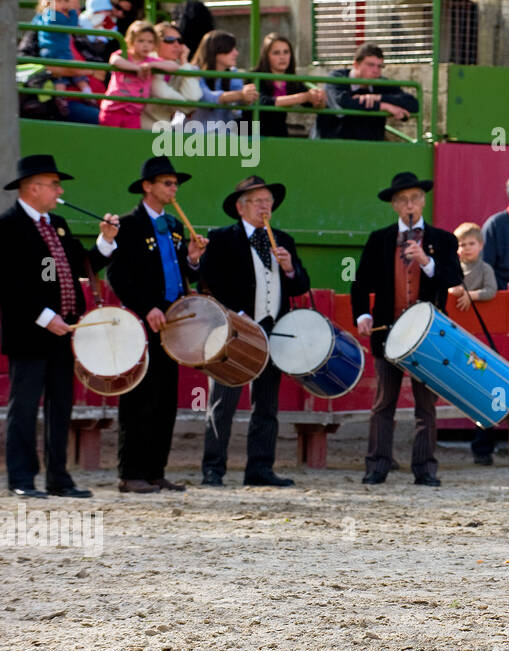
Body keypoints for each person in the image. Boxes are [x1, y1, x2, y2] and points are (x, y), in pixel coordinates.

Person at [0, 155, 119, 498]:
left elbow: (82, 265)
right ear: (33, 187)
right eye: (54, 184)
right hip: (30, 331)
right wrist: (43, 315)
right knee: (23, 406)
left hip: (64, 331)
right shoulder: (9, 226)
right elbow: (9, 283)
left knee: (60, 406)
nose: (59, 190)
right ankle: (21, 479)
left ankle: (58, 478)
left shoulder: (60, 224)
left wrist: (105, 240)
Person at [198, 176, 311, 489]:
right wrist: (240, 316)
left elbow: (301, 286)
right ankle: (213, 469)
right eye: (258, 201)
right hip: (232, 333)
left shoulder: (283, 239)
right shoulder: (221, 238)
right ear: (240, 207)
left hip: (274, 330)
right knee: (223, 404)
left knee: (266, 405)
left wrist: (290, 269)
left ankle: (260, 469)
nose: (265, 207)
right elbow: (208, 284)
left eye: (268, 202)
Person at [352, 172, 462, 487]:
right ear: (394, 206)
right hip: (388, 332)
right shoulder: (380, 239)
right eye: (402, 200)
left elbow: (453, 279)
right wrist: (361, 313)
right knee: (384, 402)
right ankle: (377, 466)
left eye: (414, 198)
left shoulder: (442, 240)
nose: (409, 204)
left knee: (425, 405)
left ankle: (425, 468)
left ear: (423, 200)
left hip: (429, 336)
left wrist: (426, 261)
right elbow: (360, 283)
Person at [107, 156, 207, 493]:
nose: (173, 188)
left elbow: (183, 273)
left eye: (175, 183)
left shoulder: (177, 227)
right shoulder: (128, 225)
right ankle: (130, 472)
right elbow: (118, 276)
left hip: (173, 318)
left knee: (165, 397)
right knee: (139, 396)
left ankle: (155, 470)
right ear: (147, 187)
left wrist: (193, 258)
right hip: (143, 319)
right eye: (167, 183)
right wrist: (146, 306)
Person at [451, 222, 501, 466]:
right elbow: (445, 290)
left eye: (471, 244)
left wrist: (471, 295)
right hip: (456, 338)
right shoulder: (451, 268)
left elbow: (492, 291)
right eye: (462, 244)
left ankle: (484, 448)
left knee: (484, 387)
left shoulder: (485, 269)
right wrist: (455, 291)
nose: (466, 248)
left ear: (480, 246)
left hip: (482, 338)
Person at [312, 43, 418, 141]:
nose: (376, 70)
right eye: (370, 65)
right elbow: (343, 103)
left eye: (380, 66)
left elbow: (412, 104)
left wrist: (378, 98)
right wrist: (383, 106)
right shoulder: (337, 78)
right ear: (356, 64)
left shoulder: (381, 83)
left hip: (369, 149)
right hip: (333, 145)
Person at [99, 21, 179, 129]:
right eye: (140, 41)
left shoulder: (150, 61)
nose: (145, 45)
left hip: (134, 113)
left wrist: (151, 65)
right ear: (130, 41)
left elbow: (174, 66)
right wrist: (137, 68)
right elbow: (114, 60)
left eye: (150, 42)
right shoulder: (124, 55)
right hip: (113, 110)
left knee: (130, 142)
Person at [252, 33, 325, 137]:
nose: (282, 57)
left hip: (278, 134)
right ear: (266, 56)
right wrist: (303, 97)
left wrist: (318, 99)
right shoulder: (255, 77)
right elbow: (264, 102)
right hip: (252, 136)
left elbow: (310, 103)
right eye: (276, 53)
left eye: (286, 52)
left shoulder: (291, 80)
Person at [189, 30, 259, 132]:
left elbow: (239, 107)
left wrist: (248, 97)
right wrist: (240, 94)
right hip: (192, 137)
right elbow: (205, 97)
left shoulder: (233, 73)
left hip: (223, 137)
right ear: (215, 50)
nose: (236, 53)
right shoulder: (193, 71)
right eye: (230, 49)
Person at [141, 20, 204, 129]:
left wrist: (184, 61)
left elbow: (193, 98)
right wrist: (186, 104)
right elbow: (164, 94)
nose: (176, 45)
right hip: (137, 126)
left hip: (162, 130)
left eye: (180, 41)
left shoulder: (182, 67)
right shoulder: (146, 62)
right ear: (155, 43)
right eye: (170, 40)